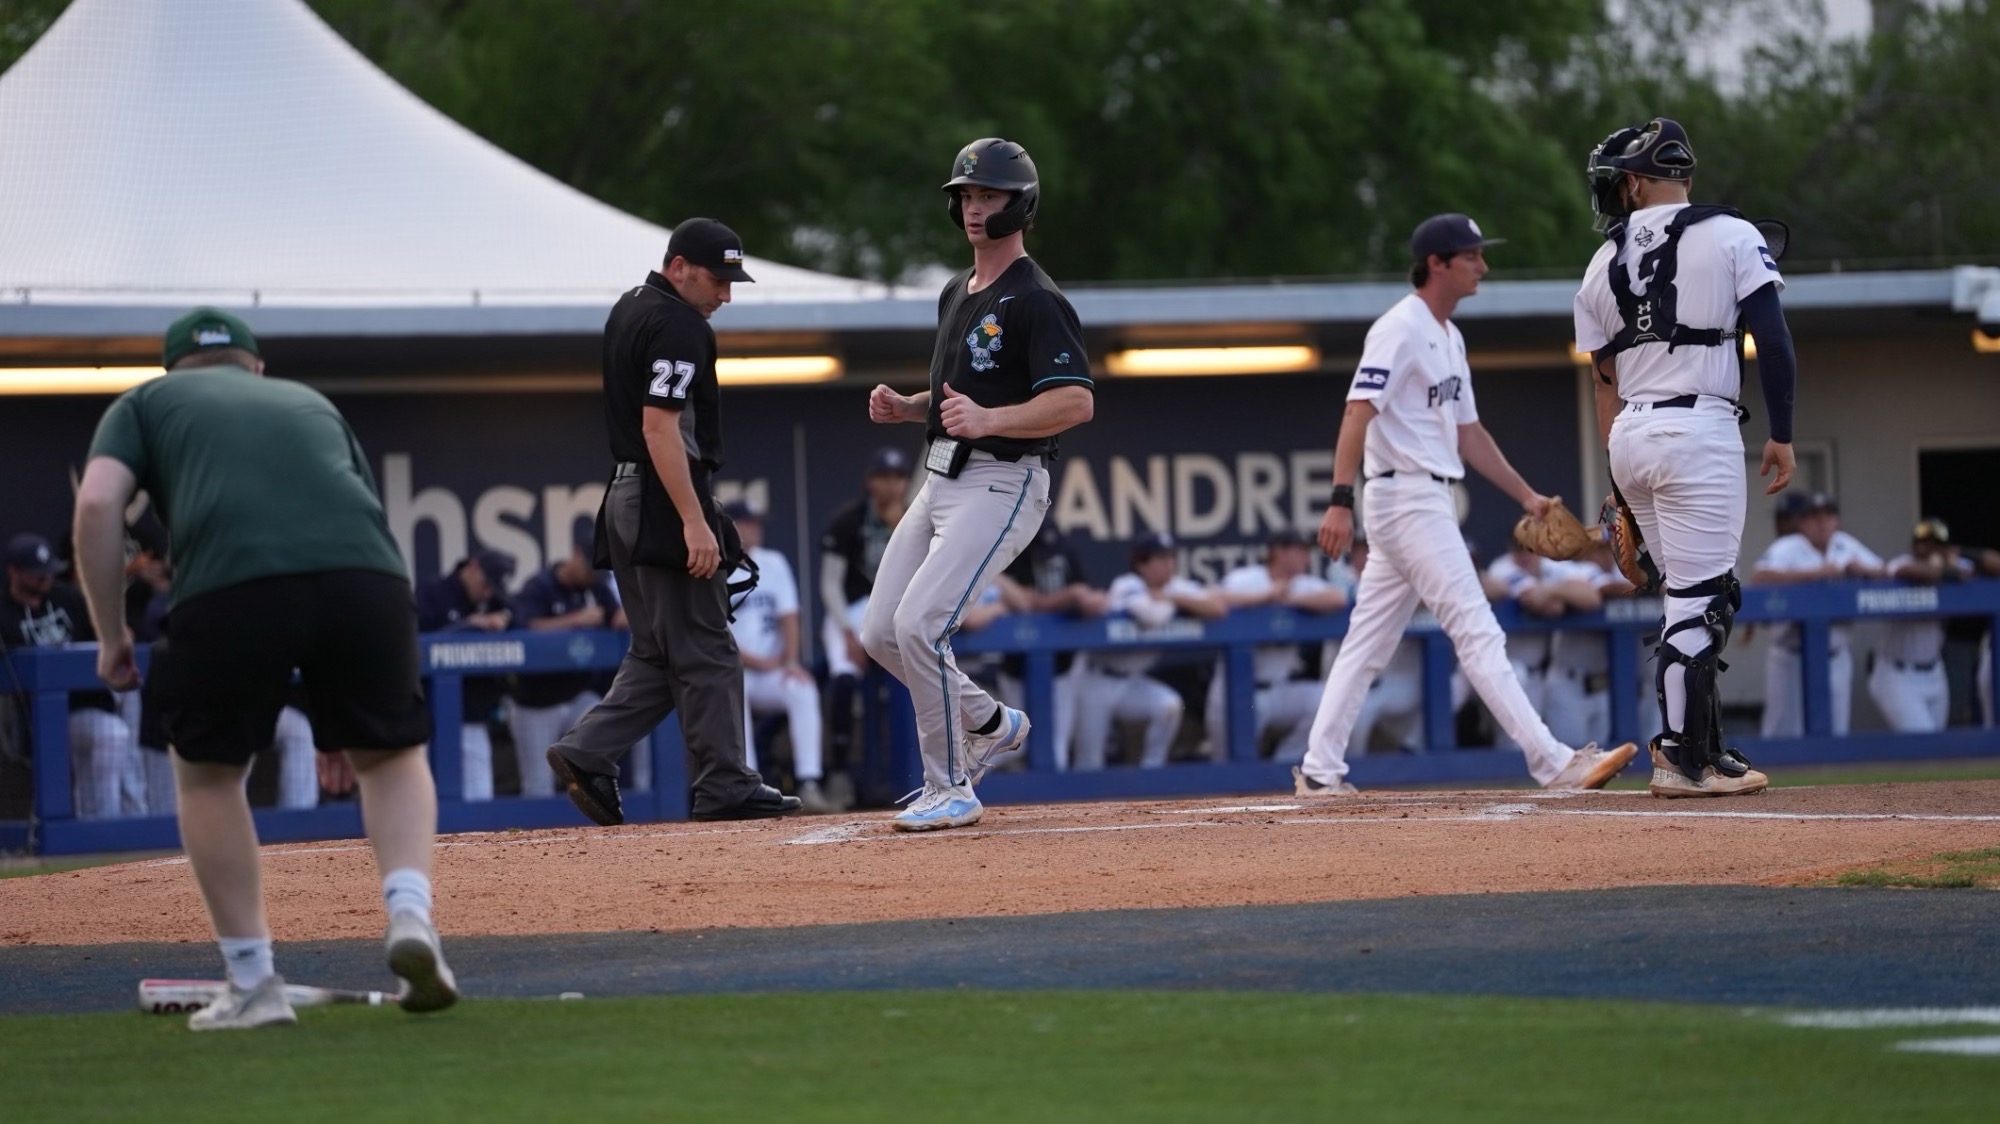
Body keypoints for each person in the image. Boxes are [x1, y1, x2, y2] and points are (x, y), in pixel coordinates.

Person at [71, 307, 453, 1029]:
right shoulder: (309, 400)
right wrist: (340, 720)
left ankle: (252, 981)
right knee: (392, 756)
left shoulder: (145, 403)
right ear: (257, 367)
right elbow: (352, 514)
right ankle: (411, 914)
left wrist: (111, 634)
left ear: (173, 368)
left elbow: (96, 504)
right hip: (369, 582)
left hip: (230, 586)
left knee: (210, 771)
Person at [1299, 213, 1637, 797]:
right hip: (1404, 495)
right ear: (1437, 264)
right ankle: (1552, 760)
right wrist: (1338, 501)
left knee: (1366, 644)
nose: (1482, 265)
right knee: (1477, 629)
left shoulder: (1449, 336)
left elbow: (1469, 432)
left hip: (1422, 494)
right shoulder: (1399, 328)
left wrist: (1527, 495)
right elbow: (1358, 412)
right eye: (1471, 256)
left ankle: (1320, 770)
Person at [859, 137, 1094, 831]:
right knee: (879, 632)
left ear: (1019, 203)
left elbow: (1077, 402)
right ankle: (991, 721)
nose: (972, 207)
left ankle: (952, 785)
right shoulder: (953, 292)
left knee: (919, 623)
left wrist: (991, 417)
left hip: (1005, 480)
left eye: (988, 195)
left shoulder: (1037, 297)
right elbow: (959, 395)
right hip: (942, 475)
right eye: (965, 194)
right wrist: (910, 407)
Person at [546, 219, 799, 825]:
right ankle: (725, 785)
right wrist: (694, 519)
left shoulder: (631, 305)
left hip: (627, 497)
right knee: (708, 646)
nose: (725, 295)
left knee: (660, 651)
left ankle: (587, 750)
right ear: (679, 265)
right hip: (661, 496)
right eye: (718, 279)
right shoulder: (679, 323)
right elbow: (661, 427)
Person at [1578, 118, 1797, 797]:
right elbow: (1774, 341)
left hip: (1633, 437)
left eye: (1618, 183)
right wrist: (1783, 433)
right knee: (1702, 602)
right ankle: (1681, 757)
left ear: (1639, 180)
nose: (1616, 195)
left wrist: (1617, 478)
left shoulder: (1598, 262)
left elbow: (1602, 384)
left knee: (1689, 600)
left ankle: (1701, 745)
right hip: (1696, 431)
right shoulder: (1734, 233)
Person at [2, 531, 145, 819]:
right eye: (35, 574)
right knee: (111, 733)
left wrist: (117, 631)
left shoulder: (66, 596)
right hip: (40, 717)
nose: (45, 579)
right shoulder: (4, 612)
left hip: (88, 702)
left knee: (120, 719)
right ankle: (100, 830)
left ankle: (123, 820)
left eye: (47, 572)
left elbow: (111, 639)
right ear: (13, 572)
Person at [723, 502, 836, 813]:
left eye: (756, 523)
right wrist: (760, 662)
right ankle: (750, 786)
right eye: (746, 523)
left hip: (773, 671)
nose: (754, 529)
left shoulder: (773, 562)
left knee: (802, 689)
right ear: (730, 526)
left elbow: (789, 616)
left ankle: (809, 783)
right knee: (733, 692)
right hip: (736, 669)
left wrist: (790, 661)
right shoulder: (717, 564)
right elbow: (717, 633)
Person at [1076, 534, 1225, 769]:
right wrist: (1176, 602)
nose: (1168, 564)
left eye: (1170, 557)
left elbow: (1216, 608)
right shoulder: (1126, 584)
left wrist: (1172, 597)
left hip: (1131, 683)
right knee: (1089, 763)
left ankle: (1151, 770)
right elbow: (1151, 616)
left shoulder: (1174, 588)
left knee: (1168, 705)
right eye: (1159, 558)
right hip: (1096, 680)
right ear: (1141, 564)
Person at [818, 445, 913, 802]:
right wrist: (847, 632)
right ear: (870, 481)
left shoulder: (915, 520)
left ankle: (915, 773)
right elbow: (829, 584)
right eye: (884, 478)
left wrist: (898, 529)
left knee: (919, 680)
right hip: (852, 610)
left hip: (896, 611)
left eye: (899, 478)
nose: (892, 486)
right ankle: (840, 774)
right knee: (843, 678)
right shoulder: (849, 519)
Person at [1207, 531, 1349, 761]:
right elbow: (1212, 597)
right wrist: (1264, 597)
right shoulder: (1248, 579)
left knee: (1327, 700)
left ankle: (1284, 765)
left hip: (1277, 691)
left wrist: (1289, 601)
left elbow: (1338, 599)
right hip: (1235, 692)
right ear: (1278, 552)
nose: (1306, 557)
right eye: (1299, 550)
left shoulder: (1302, 584)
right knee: (1228, 765)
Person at [1751, 493, 1882, 737]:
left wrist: (1863, 571)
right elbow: (1760, 579)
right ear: (1801, 523)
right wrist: (1815, 574)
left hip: (1835, 655)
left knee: (1836, 731)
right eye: (1813, 517)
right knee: (1784, 732)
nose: (1822, 523)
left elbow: (1885, 573)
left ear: (1837, 521)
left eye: (1828, 516)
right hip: (1791, 655)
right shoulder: (1788, 547)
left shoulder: (1845, 544)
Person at [507, 531, 625, 798]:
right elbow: (524, 628)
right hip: (536, 702)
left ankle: (600, 796)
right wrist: (575, 620)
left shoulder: (595, 586)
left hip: (576, 697)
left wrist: (623, 615)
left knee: (609, 716)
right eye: (590, 569)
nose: (593, 577)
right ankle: (541, 839)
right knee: (539, 787)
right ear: (576, 555)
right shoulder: (540, 585)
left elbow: (615, 614)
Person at [993, 523, 1107, 770]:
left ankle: (1049, 804)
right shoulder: (1014, 552)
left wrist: (1085, 598)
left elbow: (1090, 594)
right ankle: (959, 774)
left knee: (1056, 754)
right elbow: (1025, 603)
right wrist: (1070, 596)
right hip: (1018, 671)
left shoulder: (1066, 551)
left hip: (1062, 667)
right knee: (1017, 742)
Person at [415, 551, 514, 802]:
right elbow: (416, 643)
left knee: (481, 798)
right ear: (472, 567)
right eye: (485, 584)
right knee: (421, 798)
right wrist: (469, 625)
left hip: (472, 716)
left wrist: (506, 621)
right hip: (427, 717)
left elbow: (522, 617)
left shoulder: (494, 601)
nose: (487, 593)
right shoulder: (432, 592)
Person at [1869, 519, 1973, 733]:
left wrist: (1958, 556)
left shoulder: (1953, 564)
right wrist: (1944, 568)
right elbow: (1910, 572)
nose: (1928, 548)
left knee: (1936, 751)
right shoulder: (1902, 562)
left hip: (1935, 671)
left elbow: (1972, 570)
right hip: (1896, 674)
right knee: (1924, 742)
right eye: (1923, 542)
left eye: (1936, 543)